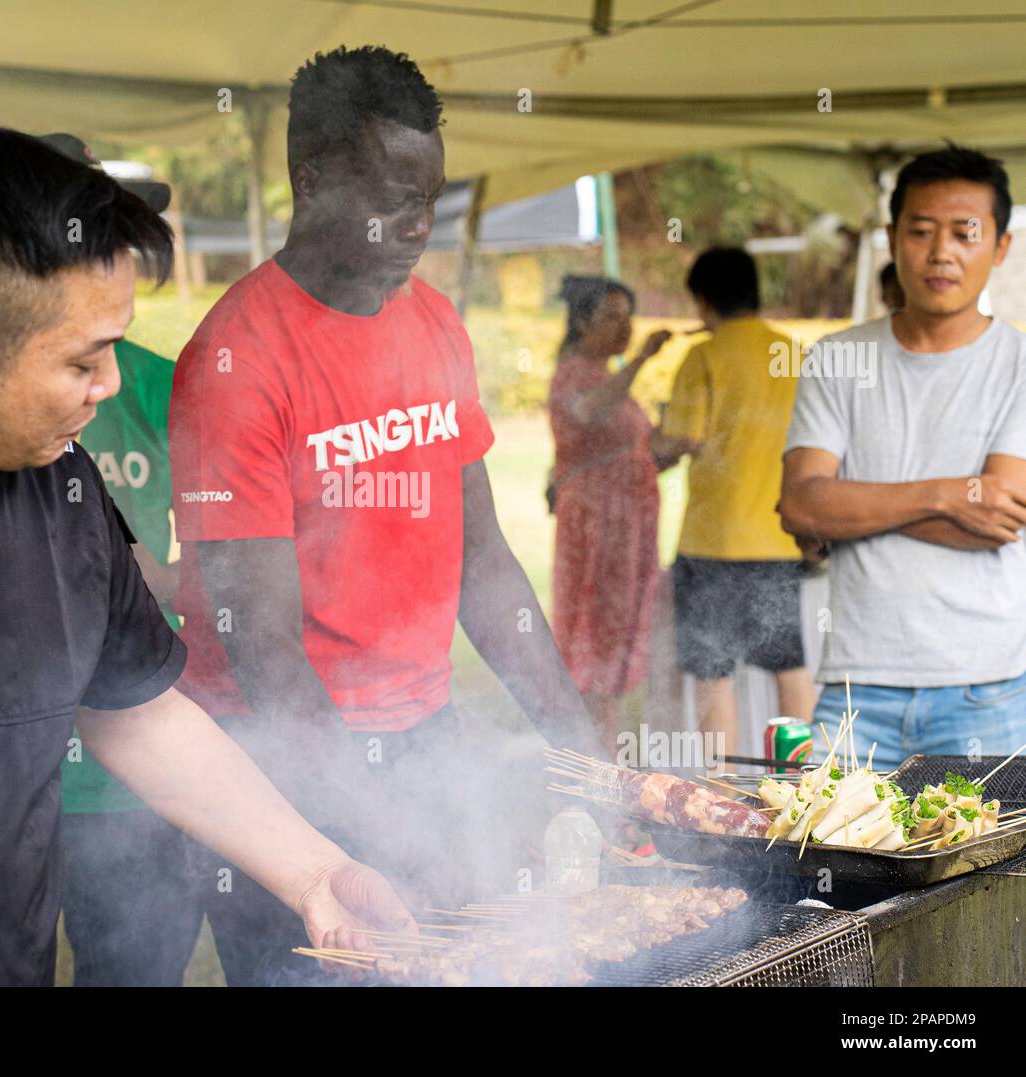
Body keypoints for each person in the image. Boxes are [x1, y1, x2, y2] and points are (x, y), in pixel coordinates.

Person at [0, 125, 411, 986]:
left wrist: (317, 873)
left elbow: (135, 710)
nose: (114, 385)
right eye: (84, 361)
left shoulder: (65, 484)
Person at [168, 45, 596, 986]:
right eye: (393, 198)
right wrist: (389, 834)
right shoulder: (233, 362)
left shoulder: (435, 321)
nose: (416, 227)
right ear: (309, 179)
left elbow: (484, 563)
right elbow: (263, 649)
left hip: (422, 726)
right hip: (277, 760)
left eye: (431, 200)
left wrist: (579, 750)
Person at [781, 144, 1026, 770]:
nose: (942, 253)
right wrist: (949, 494)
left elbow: (999, 521)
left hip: (988, 689)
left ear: (999, 246)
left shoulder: (1020, 365)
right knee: (829, 859)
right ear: (892, 239)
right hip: (856, 689)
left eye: (966, 234)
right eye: (920, 231)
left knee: (988, 866)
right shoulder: (837, 359)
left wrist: (849, 507)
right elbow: (801, 503)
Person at [34, 133, 204, 987]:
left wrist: (146, 588)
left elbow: (214, 559)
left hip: (134, 766)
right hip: (14, 784)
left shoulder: (158, 386)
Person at [660, 247, 816, 756]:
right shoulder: (793, 355)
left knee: (713, 674)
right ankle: (801, 789)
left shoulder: (703, 356)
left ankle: (721, 799)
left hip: (713, 542)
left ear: (703, 299)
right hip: (780, 536)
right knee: (789, 667)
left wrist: (651, 444)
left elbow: (680, 438)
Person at [547, 276, 696, 754]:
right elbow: (590, 414)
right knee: (596, 634)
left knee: (617, 634)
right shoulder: (576, 374)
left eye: (628, 316)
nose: (625, 326)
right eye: (612, 316)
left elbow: (640, 450)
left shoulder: (607, 375)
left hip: (626, 530)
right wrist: (642, 358)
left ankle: (607, 754)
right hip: (598, 530)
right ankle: (595, 759)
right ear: (583, 322)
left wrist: (691, 441)